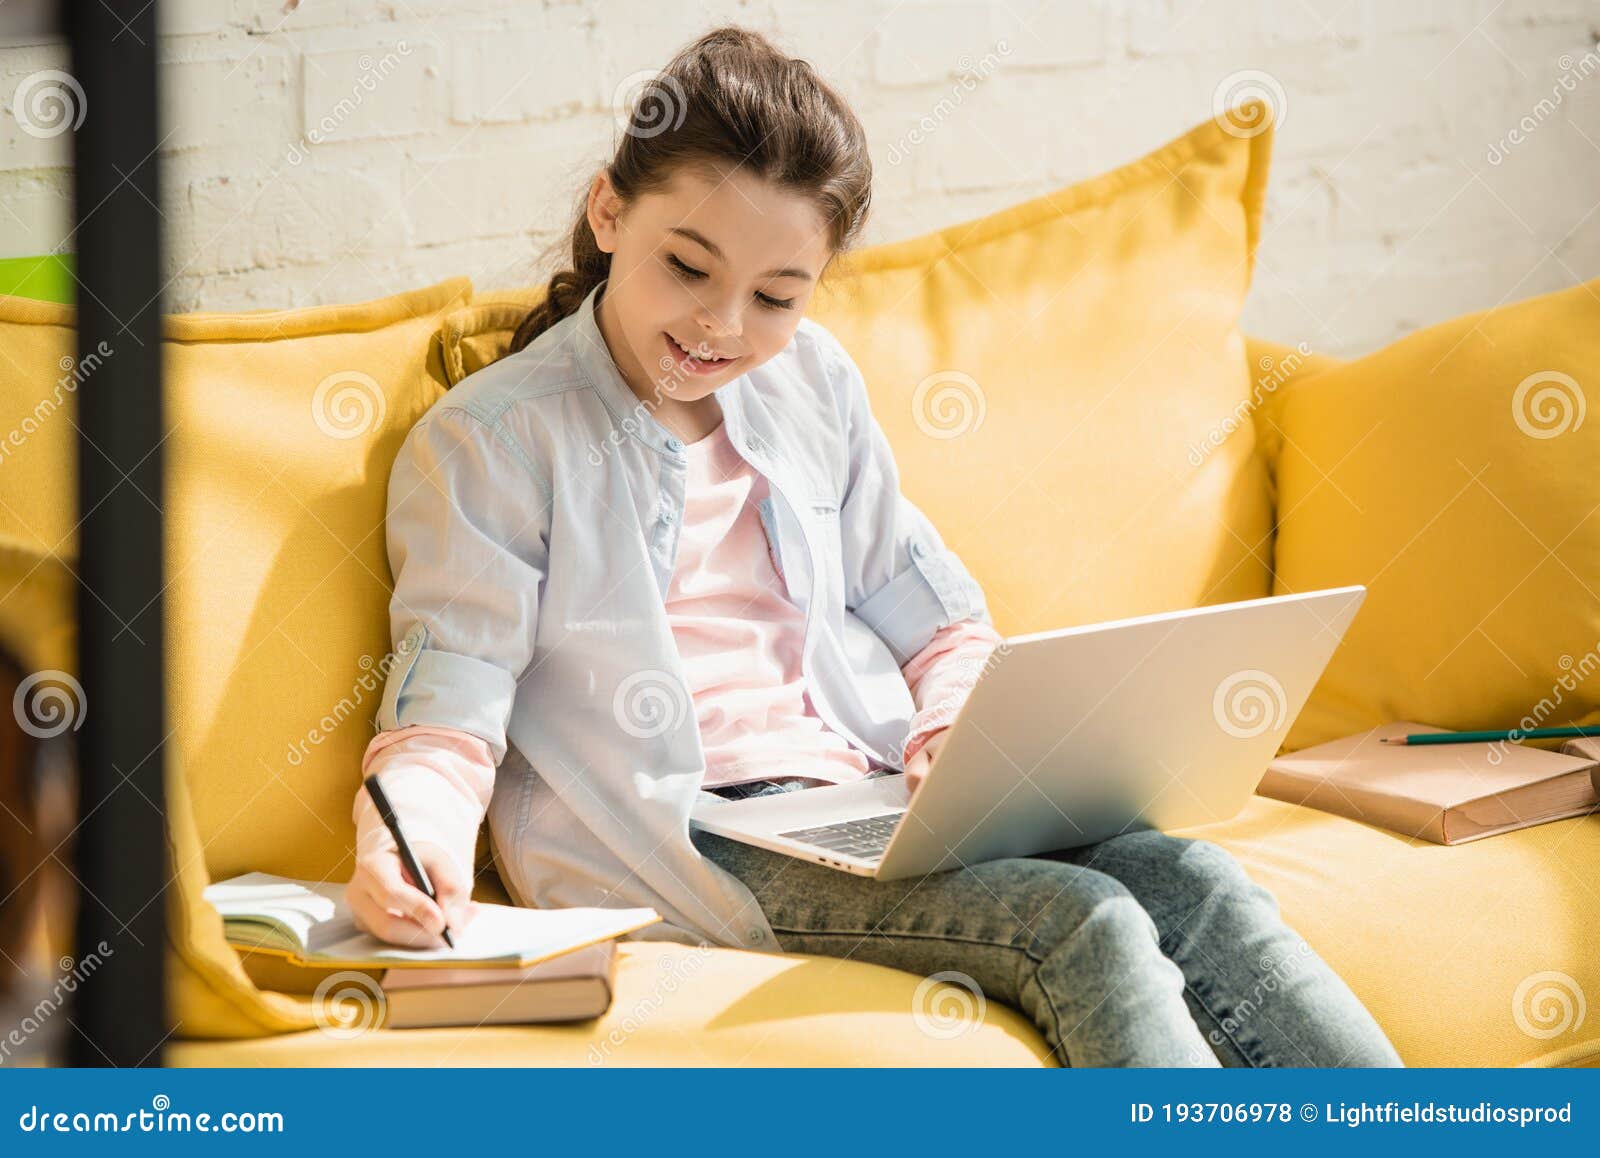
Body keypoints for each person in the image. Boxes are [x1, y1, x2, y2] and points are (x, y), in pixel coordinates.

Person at [344, 25, 1401, 1067]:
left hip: (864, 797)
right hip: (687, 839)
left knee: (1195, 882)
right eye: (688, 268)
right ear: (609, 210)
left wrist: (954, 731)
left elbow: (936, 617)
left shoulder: (813, 384)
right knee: (1083, 923)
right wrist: (408, 839)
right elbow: (449, 708)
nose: (721, 326)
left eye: (774, 297)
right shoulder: (491, 441)